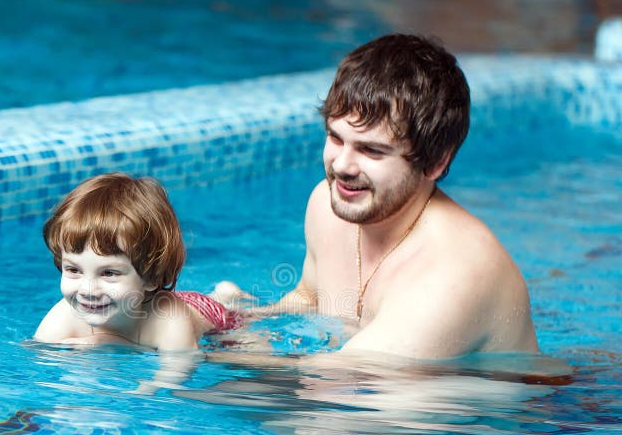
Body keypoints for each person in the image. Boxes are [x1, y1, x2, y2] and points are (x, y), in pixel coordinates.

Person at [221, 33, 539, 360]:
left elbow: (344, 383)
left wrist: (222, 350)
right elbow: (309, 297)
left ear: (435, 162)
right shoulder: (327, 207)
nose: (341, 166)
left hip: (496, 394)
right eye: (335, 138)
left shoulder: (455, 275)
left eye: (371, 151)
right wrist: (236, 319)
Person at [34, 173, 240, 351]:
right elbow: (39, 359)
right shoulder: (64, 314)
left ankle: (226, 297)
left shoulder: (170, 319)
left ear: (151, 278)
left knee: (241, 352)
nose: (87, 290)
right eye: (73, 270)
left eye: (108, 273)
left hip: (206, 312)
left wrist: (108, 342)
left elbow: (178, 370)